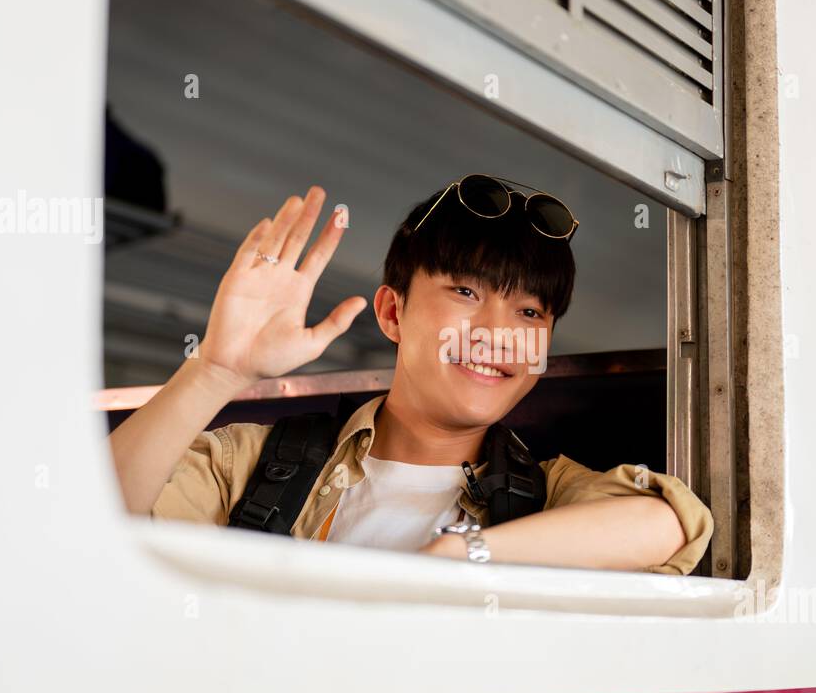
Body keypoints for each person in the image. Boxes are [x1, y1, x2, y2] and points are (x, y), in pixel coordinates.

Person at [108, 176, 713, 573]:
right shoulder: (250, 462)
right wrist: (214, 370)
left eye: (529, 310)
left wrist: (461, 551)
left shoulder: (553, 495)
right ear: (394, 312)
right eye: (466, 291)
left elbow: (667, 525)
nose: (498, 332)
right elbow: (89, 513)